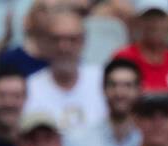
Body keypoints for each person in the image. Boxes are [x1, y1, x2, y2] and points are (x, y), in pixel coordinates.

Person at [115, 0, 168, 142]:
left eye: (160, 18)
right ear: (138, 22)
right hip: (132, 140)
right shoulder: (124, 58)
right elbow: (119, 107)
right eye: (148, 18)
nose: (154, 24)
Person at [23, 7, 106, 135]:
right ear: (44, 43)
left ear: (84, 42)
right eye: (56, 39)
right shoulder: (29, 88)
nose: (64, 47)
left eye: (72, 39)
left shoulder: (104, 80)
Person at [64, 57, 143, 146]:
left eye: (128, 86)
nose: (120, 93)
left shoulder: (147, 141)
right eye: (113, 85)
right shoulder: (76, 141)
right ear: (103, 89)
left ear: (139, 90)